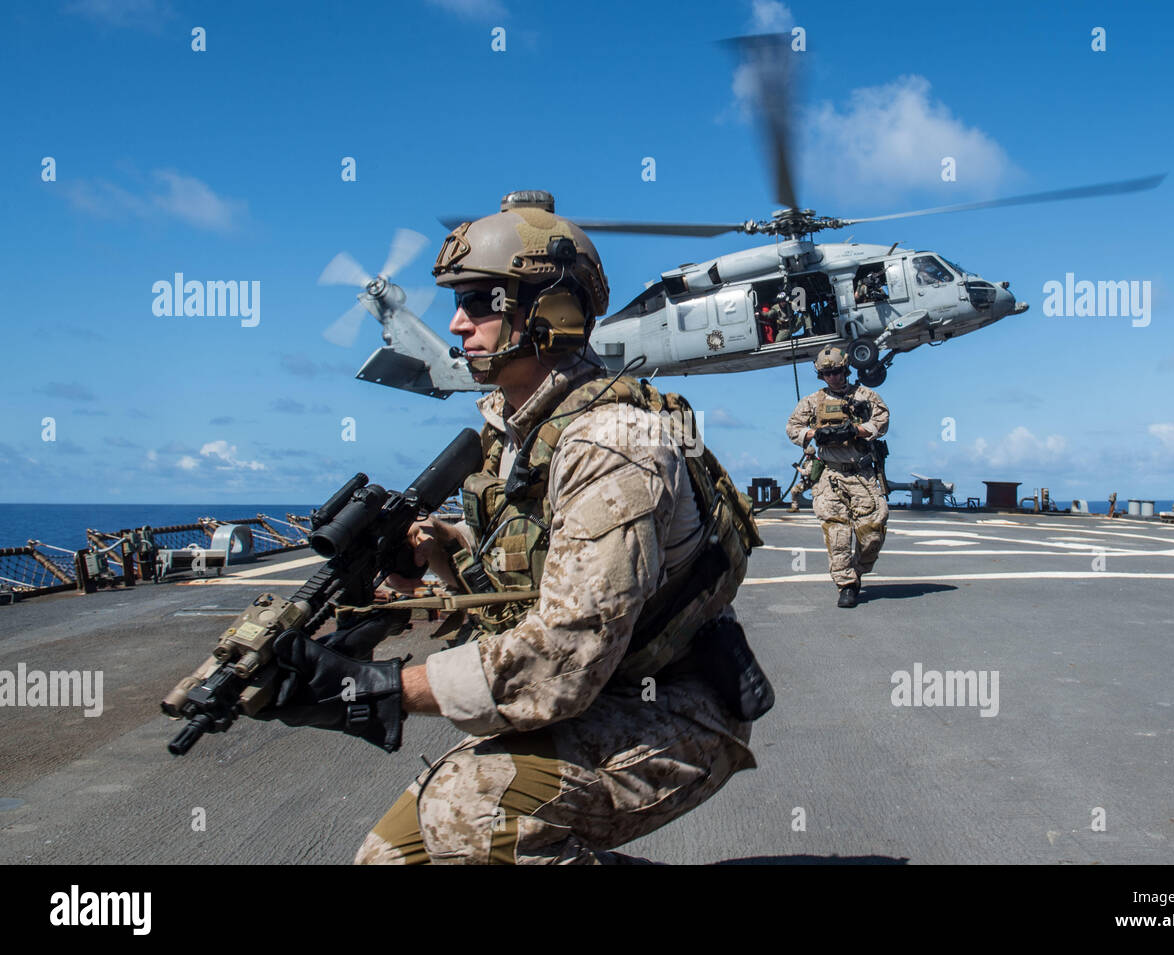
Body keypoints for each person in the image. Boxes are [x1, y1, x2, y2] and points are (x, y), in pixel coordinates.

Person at [253, 190, 771, 864]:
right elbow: (534, 554)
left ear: (550, 309)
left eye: (479, 301)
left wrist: (377, 690)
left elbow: (560, 657)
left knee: (464, 812)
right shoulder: (518, 429)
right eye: (456, 303)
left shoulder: (612, 445)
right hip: (598, 694)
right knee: (390, 859)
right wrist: (440, 549)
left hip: (672, 706)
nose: (459, 323)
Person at [785, 345, 890, 608]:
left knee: (873, 533)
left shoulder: (865, 396)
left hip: (862, 476)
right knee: (837, 534)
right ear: (821, 376)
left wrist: (855, 430)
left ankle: (857, 570)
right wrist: (815, 435)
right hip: (830, 477)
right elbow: (792, 427)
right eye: (827, 373)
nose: (833, 377)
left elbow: (881, 422)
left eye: (837, 372)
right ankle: (846, 584)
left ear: (846, 369)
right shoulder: (812, 402)